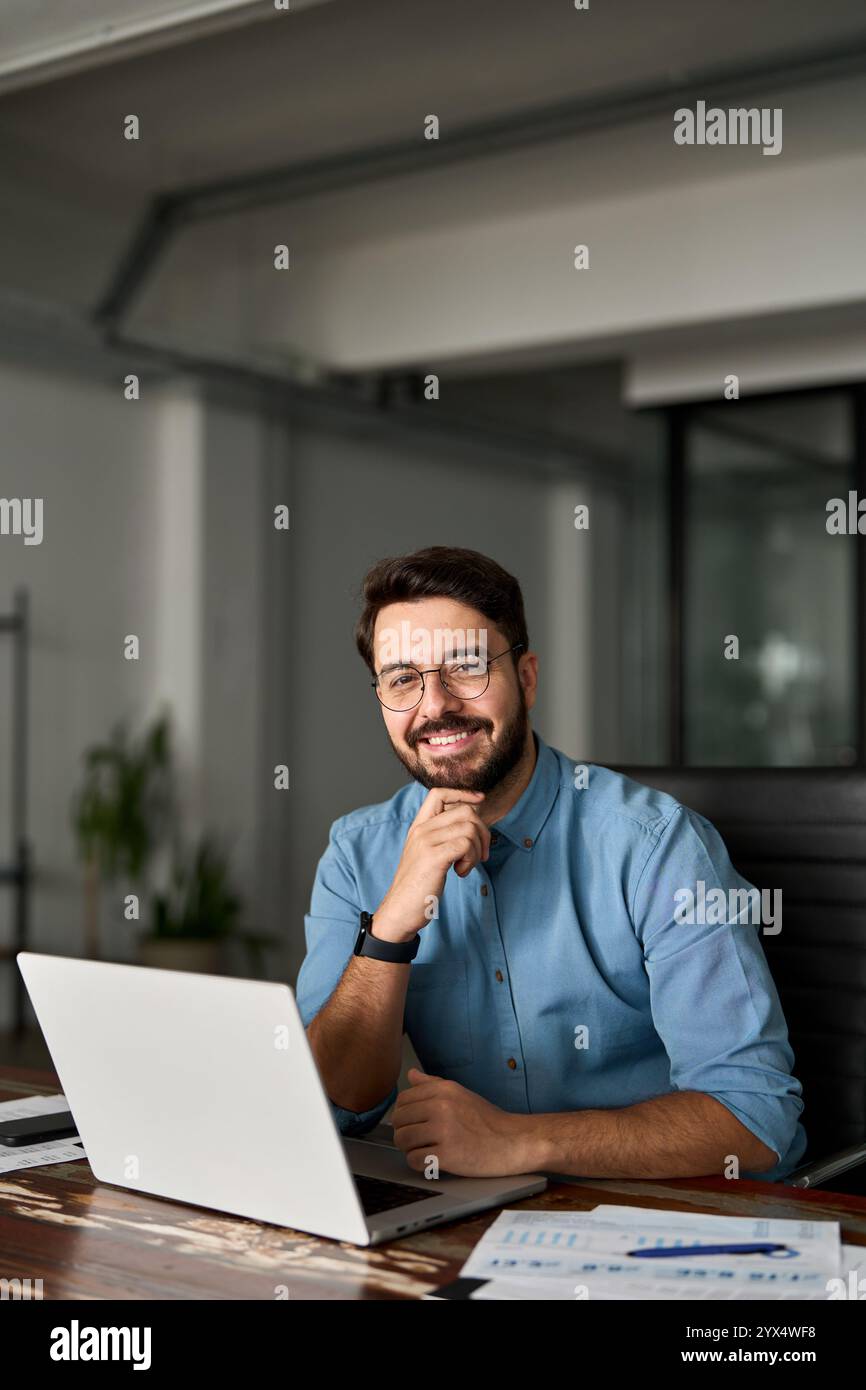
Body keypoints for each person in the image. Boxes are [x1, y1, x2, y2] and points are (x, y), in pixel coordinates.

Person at [297, 546, 806, 1181]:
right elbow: (332, 1108)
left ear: (528, 678)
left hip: (661, 1221)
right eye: (402, 679)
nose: (434, 706)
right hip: (467, 1221)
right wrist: (391, 929)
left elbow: (755, 1120)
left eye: (467, 667)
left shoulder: (657, 845)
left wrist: (516, 1142)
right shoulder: (357, 853)